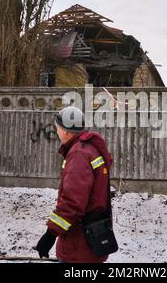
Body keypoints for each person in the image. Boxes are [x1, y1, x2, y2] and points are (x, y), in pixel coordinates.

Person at [35, 106, 114, 263]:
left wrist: (50, 234)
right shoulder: (90, 149)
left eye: (57, 128)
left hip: (79, 245)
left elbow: (72, 202)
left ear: (65, 131)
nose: (57, 132)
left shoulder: (78, 154)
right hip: (92, 239)